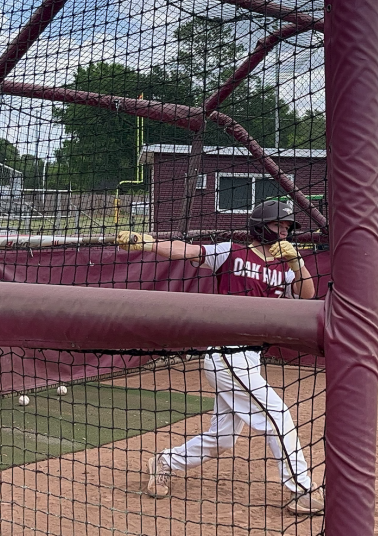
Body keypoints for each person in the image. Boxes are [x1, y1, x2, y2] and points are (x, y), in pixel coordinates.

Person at [116, 199, 323, 515]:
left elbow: (308, 295)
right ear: (260, 227)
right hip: (227, 352)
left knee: (223, 438)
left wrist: (297, 263)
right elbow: (187, 251)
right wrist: (150, 243)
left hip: (251, 358)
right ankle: (302, 489)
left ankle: (165, 461)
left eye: (287, 227)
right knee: (277, 415)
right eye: (278, 225)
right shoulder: (231, 252)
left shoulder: (285, 268)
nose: (284, 232)